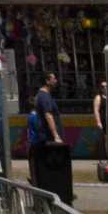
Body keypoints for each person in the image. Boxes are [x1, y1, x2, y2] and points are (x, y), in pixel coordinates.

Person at [28, 72, 74, 203]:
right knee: (52, 170)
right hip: (49, 139)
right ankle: (52, 195)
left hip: (49, 138)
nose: (56, 81)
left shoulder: (44, 95)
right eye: (54, 78)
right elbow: (48, 116)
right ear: (47, 81)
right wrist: (56, 136)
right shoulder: (44, 96)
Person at [93, 79, 108, 164]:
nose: (104, 88)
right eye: (102, 86)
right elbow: (96, 110)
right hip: (103, 120)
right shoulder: (98, 97)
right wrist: (98, 122)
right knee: (106, 139)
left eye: (106, 86)